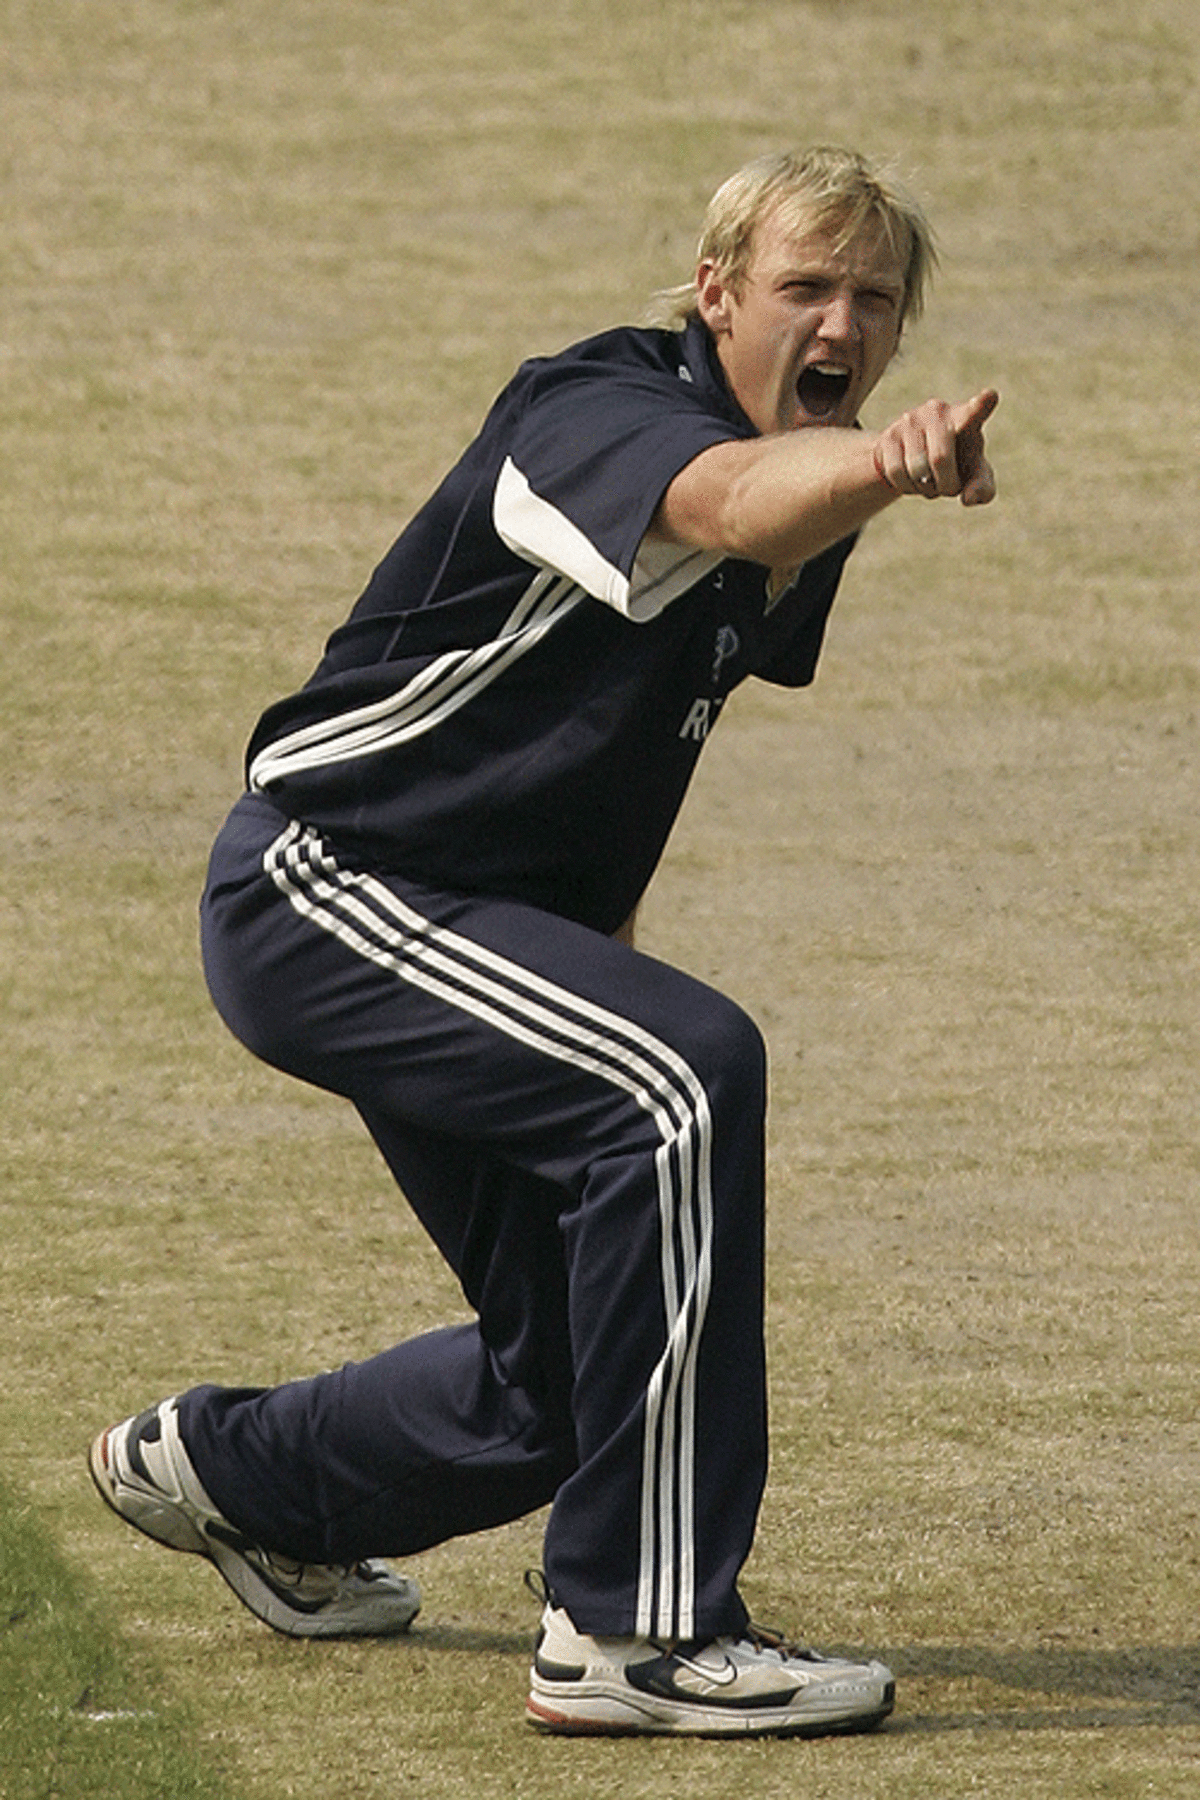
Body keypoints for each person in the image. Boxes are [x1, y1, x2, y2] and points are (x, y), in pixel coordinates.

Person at [89, 145, 997, 1738]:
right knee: (688, 1076)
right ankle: (635, 1637)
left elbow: (618, 756)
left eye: (872, 296)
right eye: (805, 287)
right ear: (718, 293)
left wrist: (604, 969)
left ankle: (244, 1479)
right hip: (329, 885)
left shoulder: (816, 470)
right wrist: (886, 471)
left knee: (582, 1373)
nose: (840, 320)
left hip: (477, 925)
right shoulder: (594, 410)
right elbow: (721, 503)